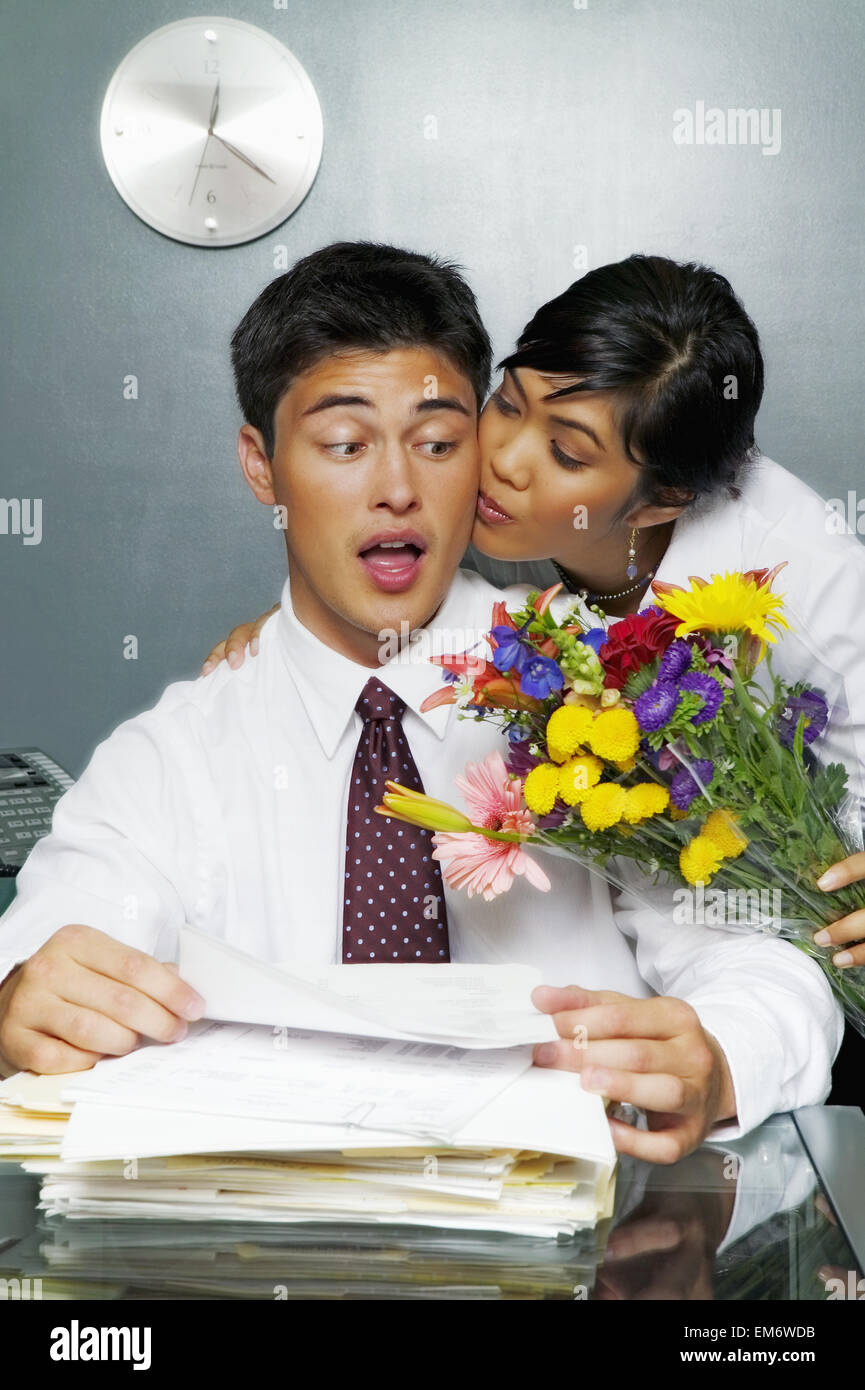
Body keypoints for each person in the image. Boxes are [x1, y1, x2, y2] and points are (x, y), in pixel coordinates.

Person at [0, 244, 843, 1165]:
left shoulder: (608, 696)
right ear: (261, 467)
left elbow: (758, 955)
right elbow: (63, 929)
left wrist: (722, 1055)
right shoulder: (171, 754)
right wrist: (25, 997)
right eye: (344, 445)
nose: (398, 488)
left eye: (438, 444)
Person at [209, 255, 865, 976]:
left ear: (660, 500)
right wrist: (287, 635)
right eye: (510, 404)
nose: (503, 460)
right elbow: (366, 571)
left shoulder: (811, 580)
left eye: (564, 452)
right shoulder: (489, 506)